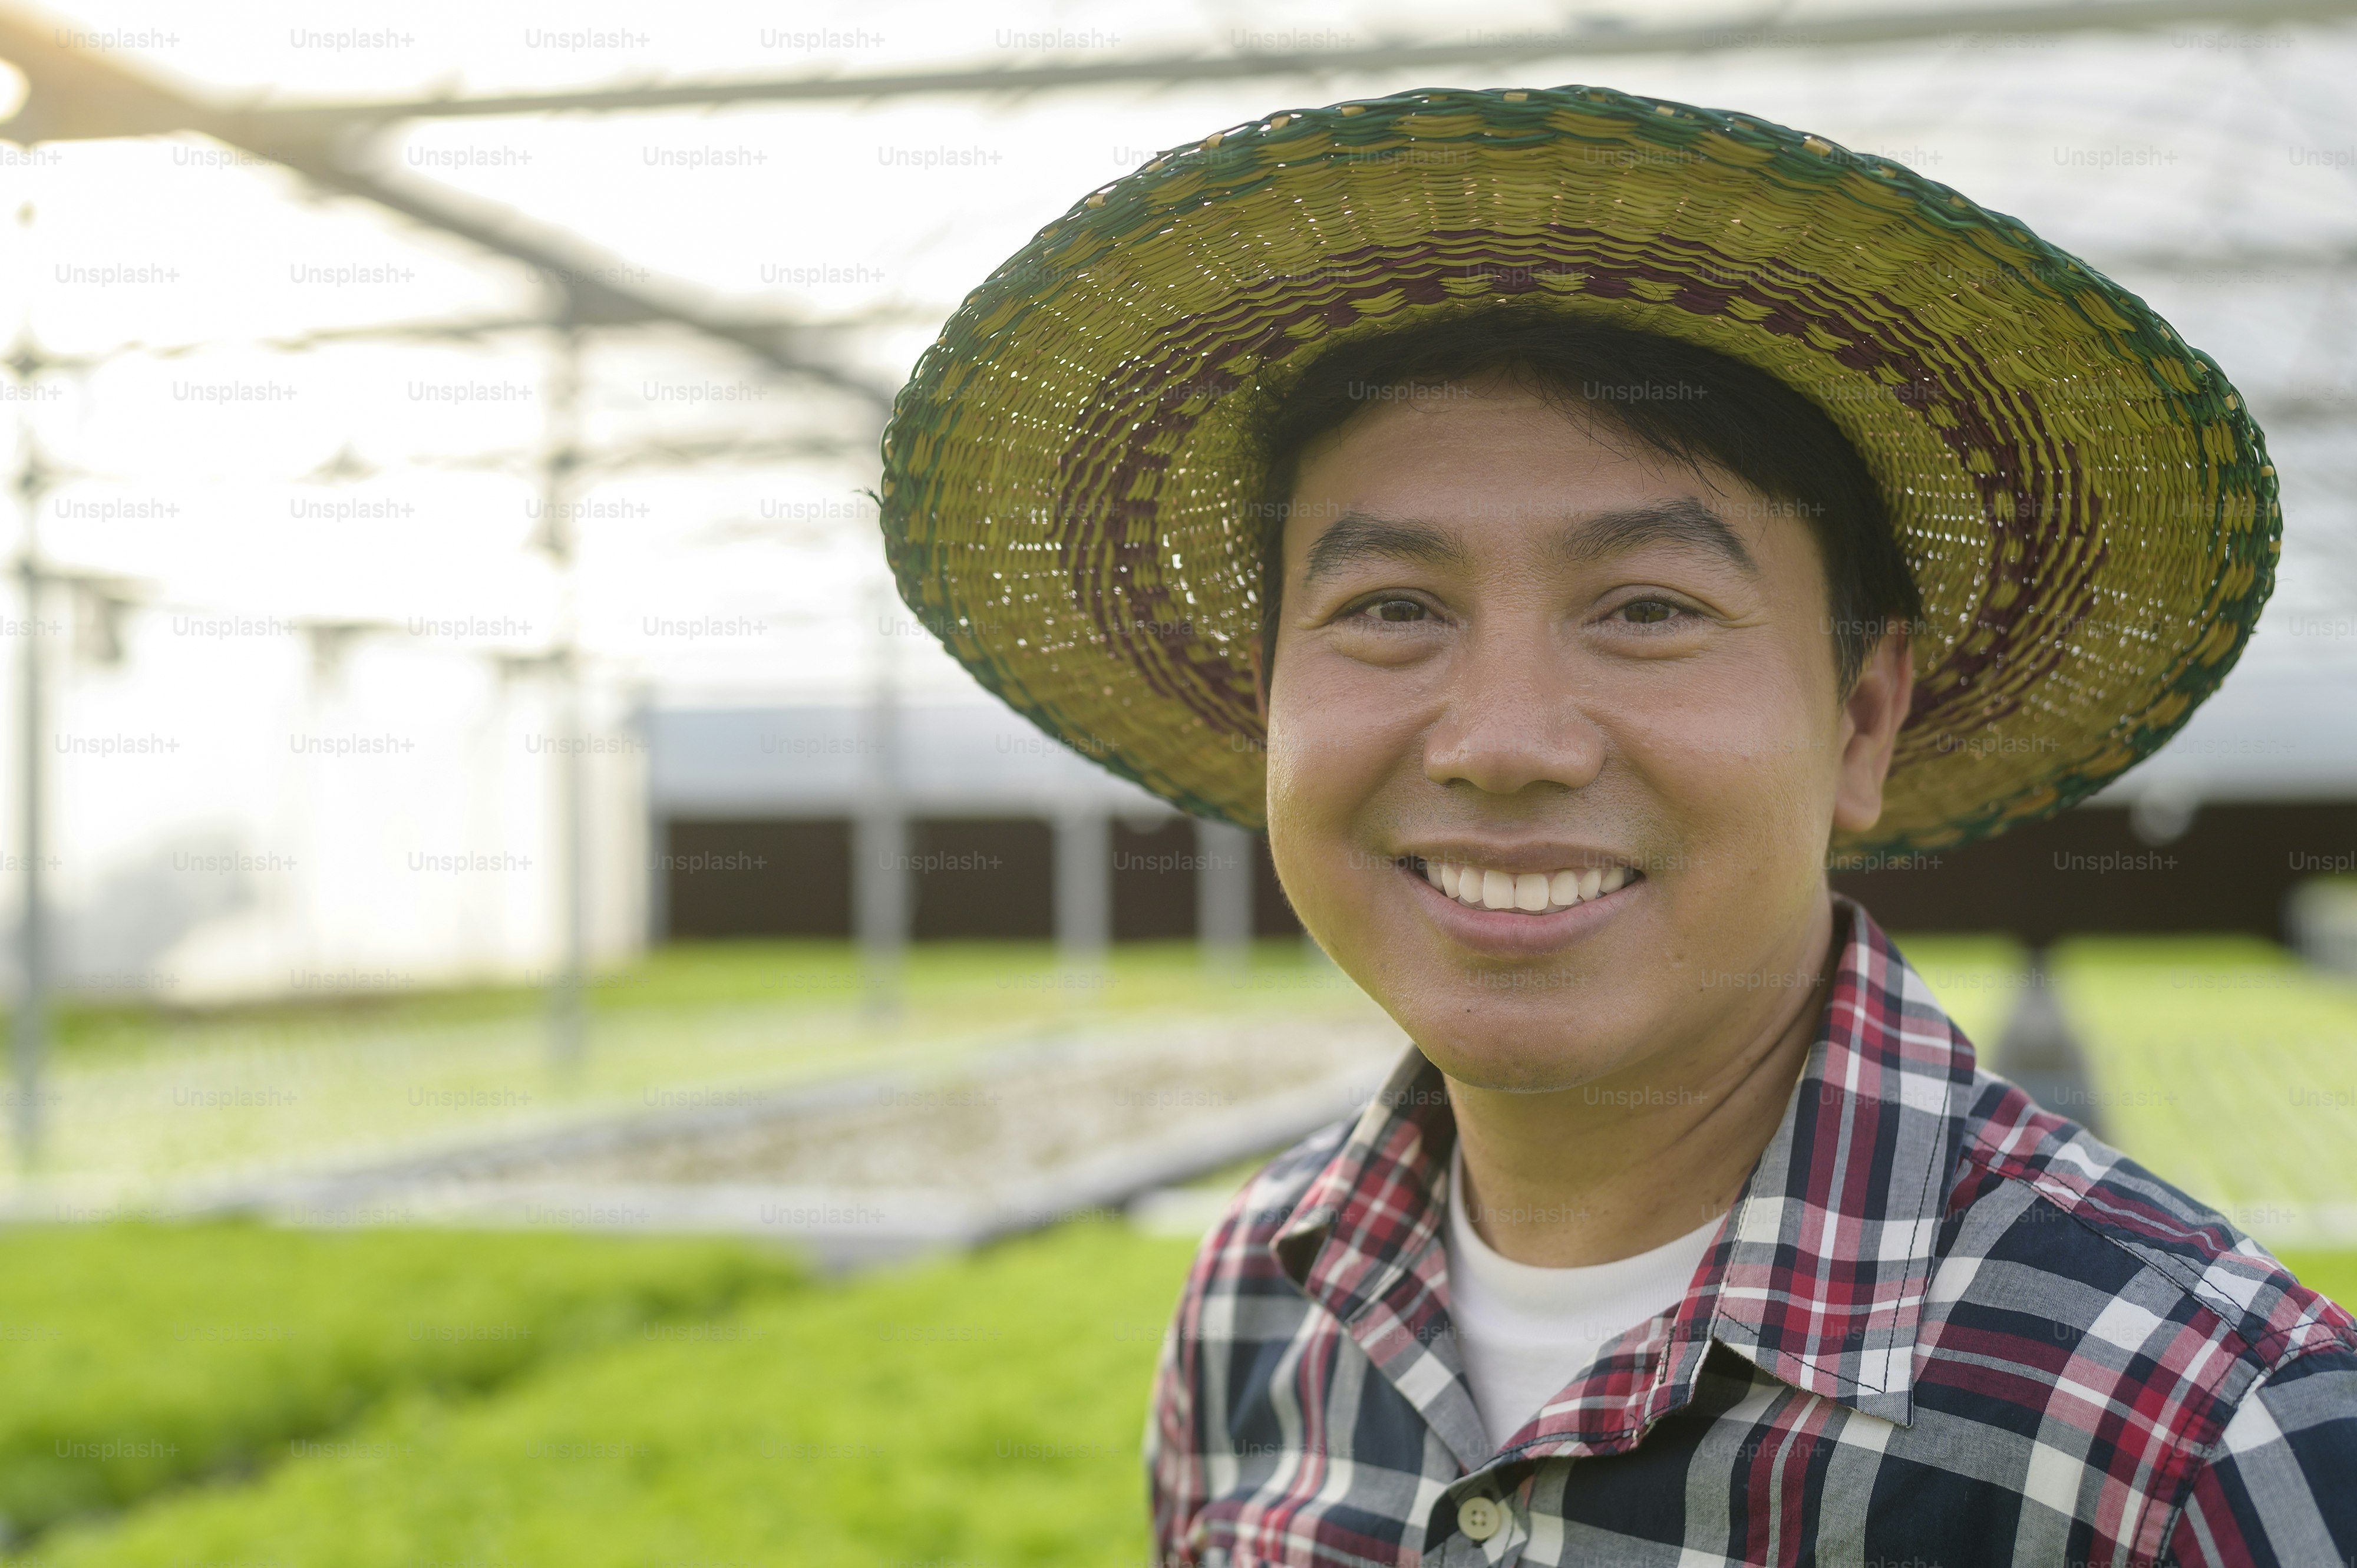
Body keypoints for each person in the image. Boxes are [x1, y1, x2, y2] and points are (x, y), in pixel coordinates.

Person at [877, 84, 2354, 1566]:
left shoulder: (2204, 1439)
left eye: (1648, 608)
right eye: (1390, 608)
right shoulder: (1255, 1305)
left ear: (1859, 718)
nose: (1503, 741)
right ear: (1266, 696)